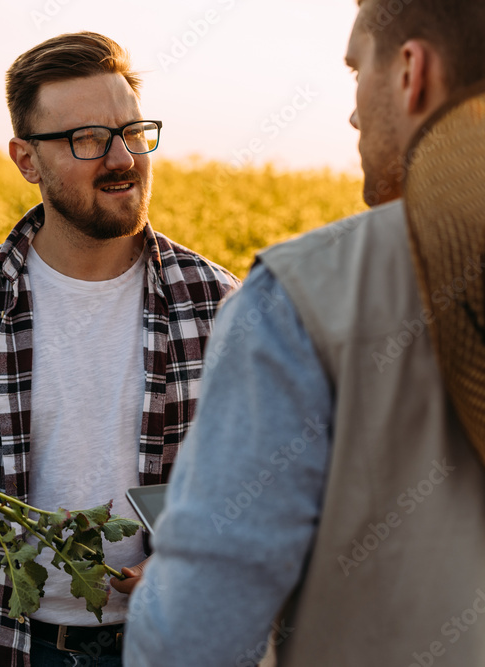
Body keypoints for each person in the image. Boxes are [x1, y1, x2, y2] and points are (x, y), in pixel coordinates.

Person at [0, 32, 239, 667]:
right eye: (86, 140)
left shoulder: (218, 304)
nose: (122, 158)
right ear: (25, 160)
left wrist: (196, 569)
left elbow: (263, 493)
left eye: (132, 132)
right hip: (1, 642)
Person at [124, 1, 485, 665]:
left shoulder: (302, 295)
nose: (351, 112)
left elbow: (192, 641)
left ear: (412, 74)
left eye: (356, 71)